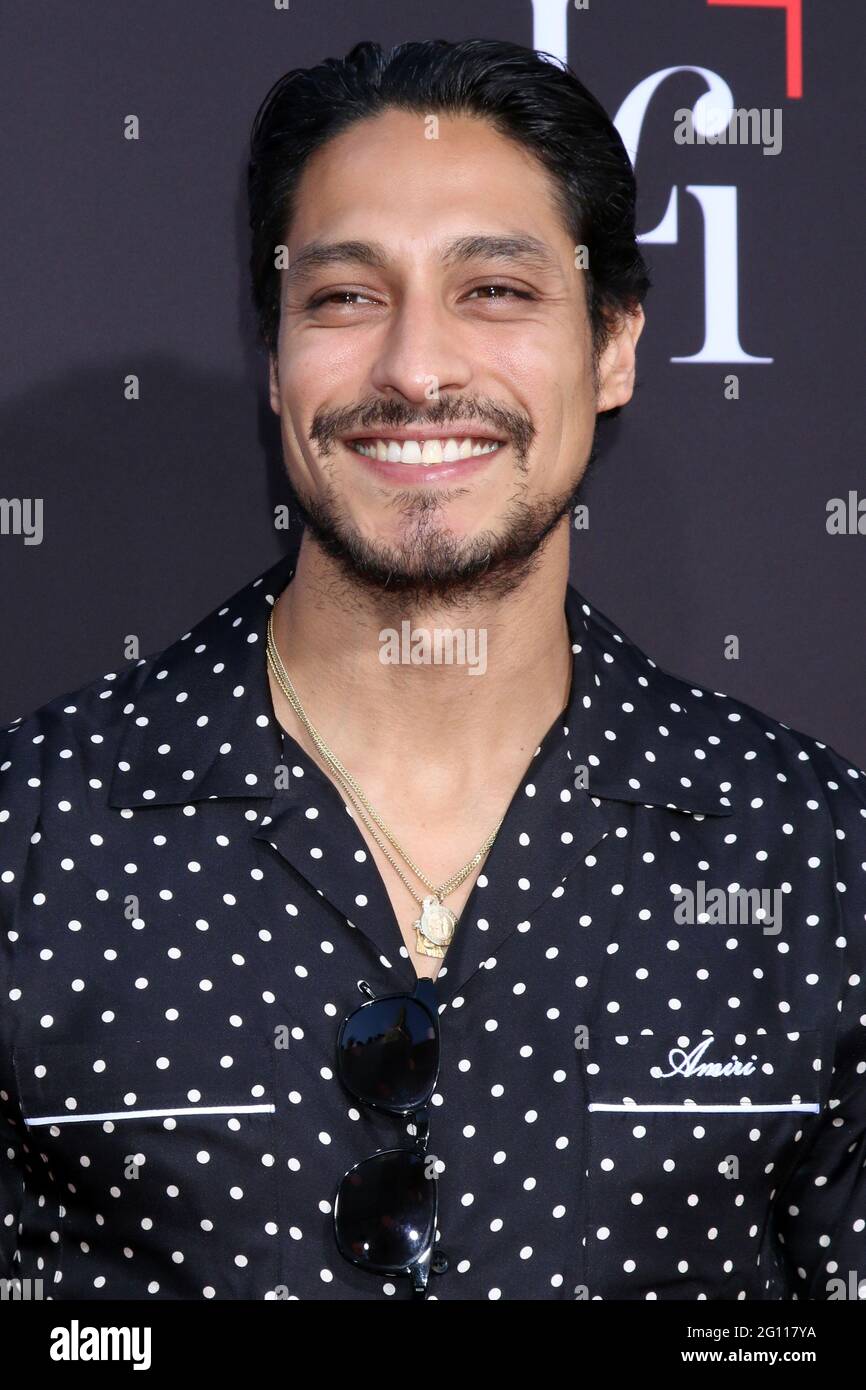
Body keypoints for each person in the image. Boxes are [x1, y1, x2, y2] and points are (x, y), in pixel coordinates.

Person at [1, 38, 863, 1303]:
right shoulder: (34, 836)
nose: (415, 370)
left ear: (614, 345)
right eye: (344, 298)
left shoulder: (807, 850)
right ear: (277, 352)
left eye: (497, 293)